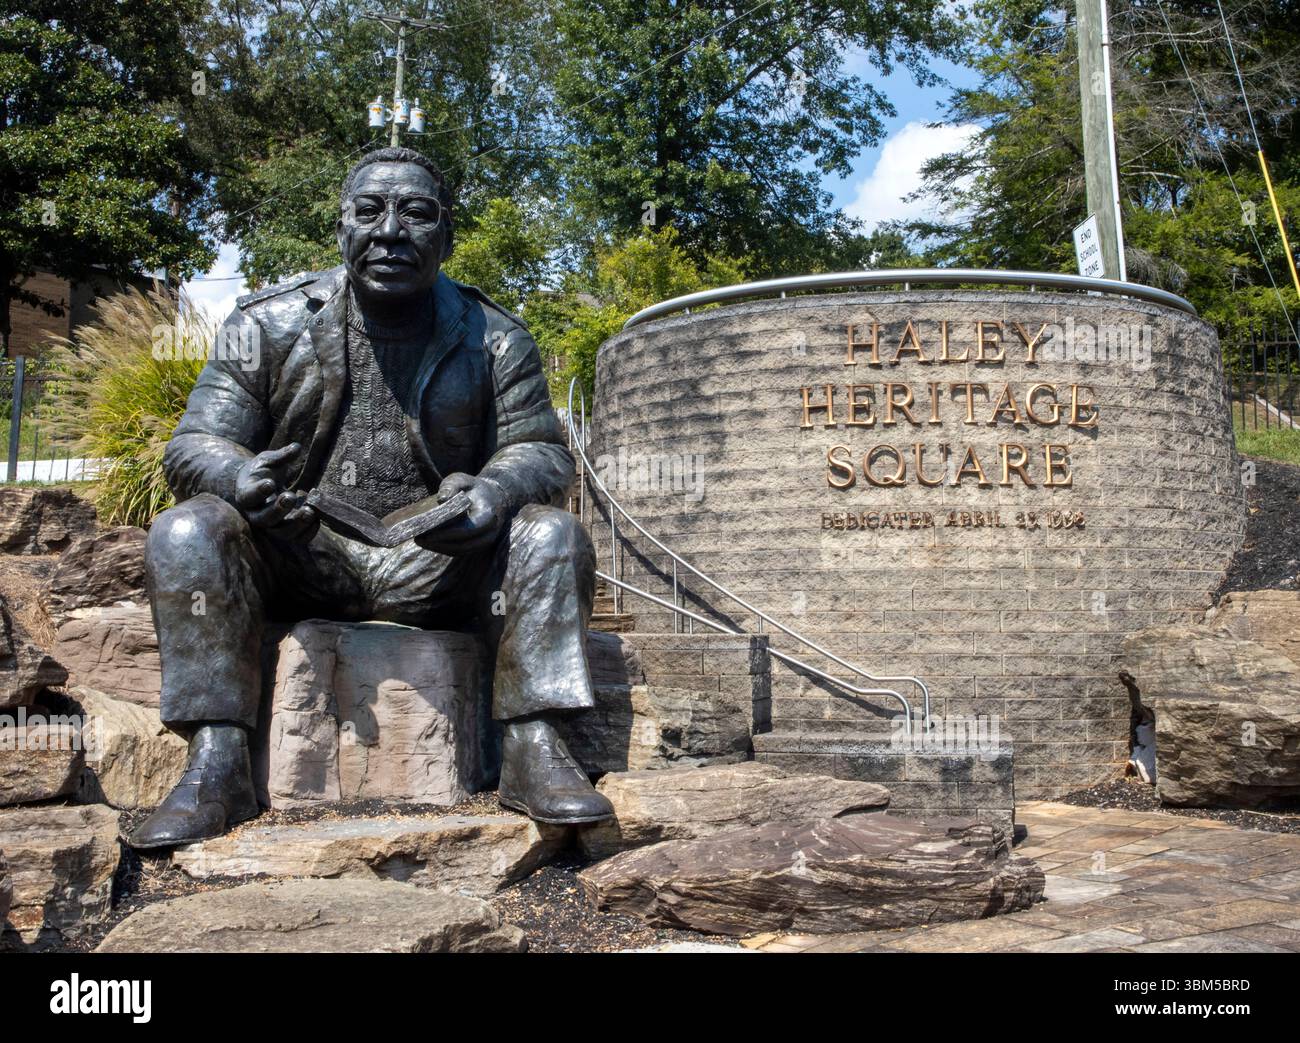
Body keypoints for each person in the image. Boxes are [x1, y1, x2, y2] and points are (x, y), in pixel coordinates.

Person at [130, 146, 613, 849]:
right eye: (370, 211)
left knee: (550, 533)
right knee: (188, 530)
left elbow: (541, 452)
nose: (390, 230)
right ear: (341, 229)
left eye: (416, 214)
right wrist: (243, 480)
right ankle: (217, 761)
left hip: (439, 559)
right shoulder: (264, 325)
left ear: (446, 234)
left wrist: (492, 490)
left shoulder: (497, 338)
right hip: (303, 554)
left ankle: (531, 744)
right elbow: (195, 443)